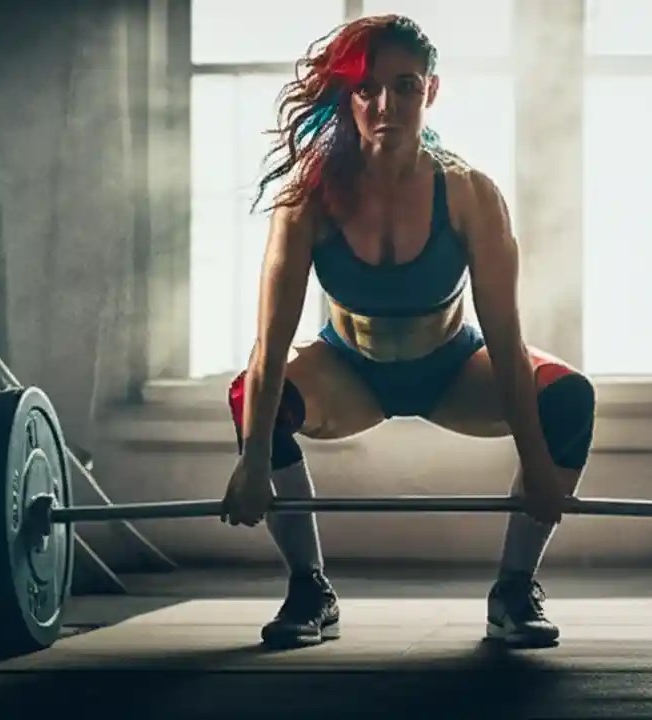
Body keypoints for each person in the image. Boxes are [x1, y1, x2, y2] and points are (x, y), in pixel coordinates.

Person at [219, 14, 596, 649]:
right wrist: (254, 461)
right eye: (366, 89)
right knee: (254, 397)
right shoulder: (305, 202)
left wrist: (537, 462)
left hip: (453, 370)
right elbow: (271, 345)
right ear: (348, 96)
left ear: (431, 91)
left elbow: (505, 337)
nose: (385, 105)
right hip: (349, 376)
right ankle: (310, 589)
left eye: (405, 86)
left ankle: (514, 590)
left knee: (569, 398)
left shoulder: (471, 194)